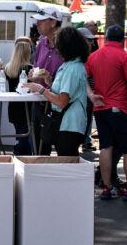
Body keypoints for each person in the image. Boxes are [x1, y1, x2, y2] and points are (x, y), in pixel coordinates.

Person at [87, 25, 127, 201]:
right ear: (123, 39)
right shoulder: (125, 56)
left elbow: (82, 77)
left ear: (105, 38)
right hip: (121, 107)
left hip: (100, 108)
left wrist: (91, 95)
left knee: (105, 146)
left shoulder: (93, 56)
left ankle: (107, 187)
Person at [28, 24, 92, 156]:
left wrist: (41, 90)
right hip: (67, 123)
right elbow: (63, 91)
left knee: (67, 161)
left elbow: (62, 101)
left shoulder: (72, 68)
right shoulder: (71, 65)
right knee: (66, 160)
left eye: (58, 44)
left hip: (69, 124)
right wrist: (49, 80)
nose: (56, 48)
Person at [0, 35, 36, 152]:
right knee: (27, 135)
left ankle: (18, 153)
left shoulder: (8, 68)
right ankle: (22, 154)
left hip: (13, 106)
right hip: (27, 106)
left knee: (19, 133)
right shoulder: (30, 69)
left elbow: (0, 82)